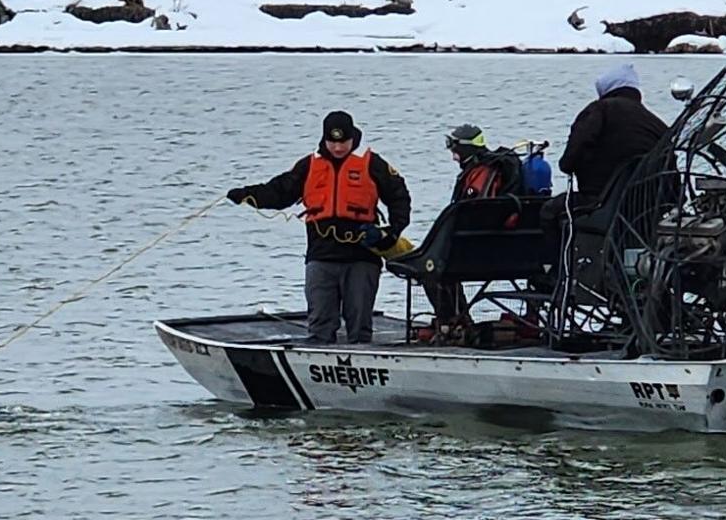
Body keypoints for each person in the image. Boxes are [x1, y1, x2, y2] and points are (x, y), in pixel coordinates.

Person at [225, 110, 412, 345]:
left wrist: (392, 232)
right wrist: (246, 195)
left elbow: (399, 197)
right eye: (332, 142)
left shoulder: (372, 163)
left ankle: (362, 365)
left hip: (361, 256)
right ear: (324, 140)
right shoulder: (309, 165)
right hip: (321, 255)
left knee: (359, 325)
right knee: (320, 323)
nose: (338, 147)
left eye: (343, 142)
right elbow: (278, 191)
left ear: (353, 137)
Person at [537, 63, 671, 291]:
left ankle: (555, 276)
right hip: (647, 209)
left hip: (602, 203)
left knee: (550, 211)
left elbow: (568, 162)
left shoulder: (599, 111)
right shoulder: (656, 123)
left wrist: (574, 165)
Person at [445, 124, 526, 202]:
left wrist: (469, 192)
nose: (454, 158)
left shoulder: (482, 171)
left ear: (466, 150)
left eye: (456, 153)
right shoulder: (491, 164)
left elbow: (473, 197)